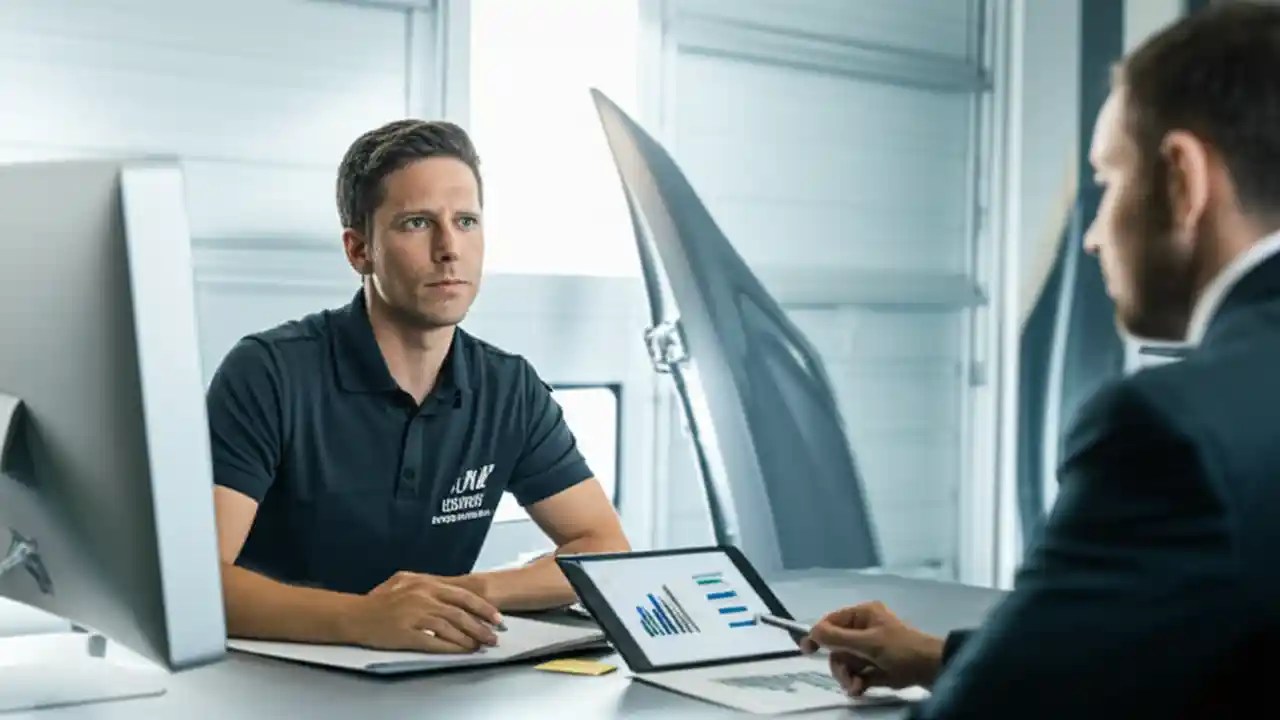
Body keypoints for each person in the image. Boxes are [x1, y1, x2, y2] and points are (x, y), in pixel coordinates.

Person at [801, 4, 1280, 717]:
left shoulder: (1172, 427)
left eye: (1107, 184)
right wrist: (946, 658)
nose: (1092, 237)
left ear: (1183, 179)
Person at [207, 119, 630, 654]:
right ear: (359, 250)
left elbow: (604, 548)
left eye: (467, 221)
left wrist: (468, 592)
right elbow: (196, 582)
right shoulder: (268, 373)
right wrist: (362, 619)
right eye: (416, 223)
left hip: (426, 678)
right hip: (269, 684)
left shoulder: (509, 389)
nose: (449, 248)